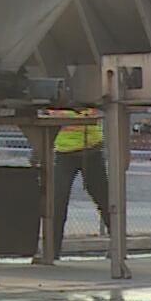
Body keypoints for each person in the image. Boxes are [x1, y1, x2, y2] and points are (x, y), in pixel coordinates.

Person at [45, 106, 111, 255]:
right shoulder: (60, 99)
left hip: (91, 150)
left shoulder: (87, 93)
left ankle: (118, 244)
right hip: (65, 152)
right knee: (57, 201)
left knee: (104, 199)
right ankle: (52, 250)